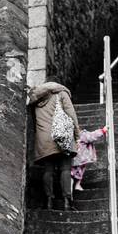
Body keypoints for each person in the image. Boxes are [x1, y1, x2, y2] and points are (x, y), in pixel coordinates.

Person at [28, 80, 81, 209]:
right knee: (65, 169)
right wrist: (77, 135)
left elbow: (33, 122)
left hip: (44, 138)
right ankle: (67, 201)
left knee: (48, 170)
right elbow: (71, 114)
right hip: (62, 136)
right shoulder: (61, 93)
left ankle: (48, 201)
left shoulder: (35, 100)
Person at [71, 125, 107, 191]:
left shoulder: (71, 137)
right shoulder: (82, 135)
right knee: (81, 170)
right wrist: (102, 131)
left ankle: (72, 181)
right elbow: (92, 136)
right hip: (81, 158)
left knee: (72, 170)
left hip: (72, 157)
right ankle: (77, 184)